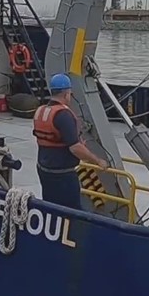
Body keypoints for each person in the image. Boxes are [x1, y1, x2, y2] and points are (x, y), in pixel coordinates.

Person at [33, 73, 109, 210]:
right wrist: (97, 161)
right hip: (62, 175)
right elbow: (75, 148)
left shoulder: (41, 111)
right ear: (66, 93)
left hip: (44, 170)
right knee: (71, 210)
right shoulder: (63, 115)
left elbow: (52, 139)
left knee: (50, 207)